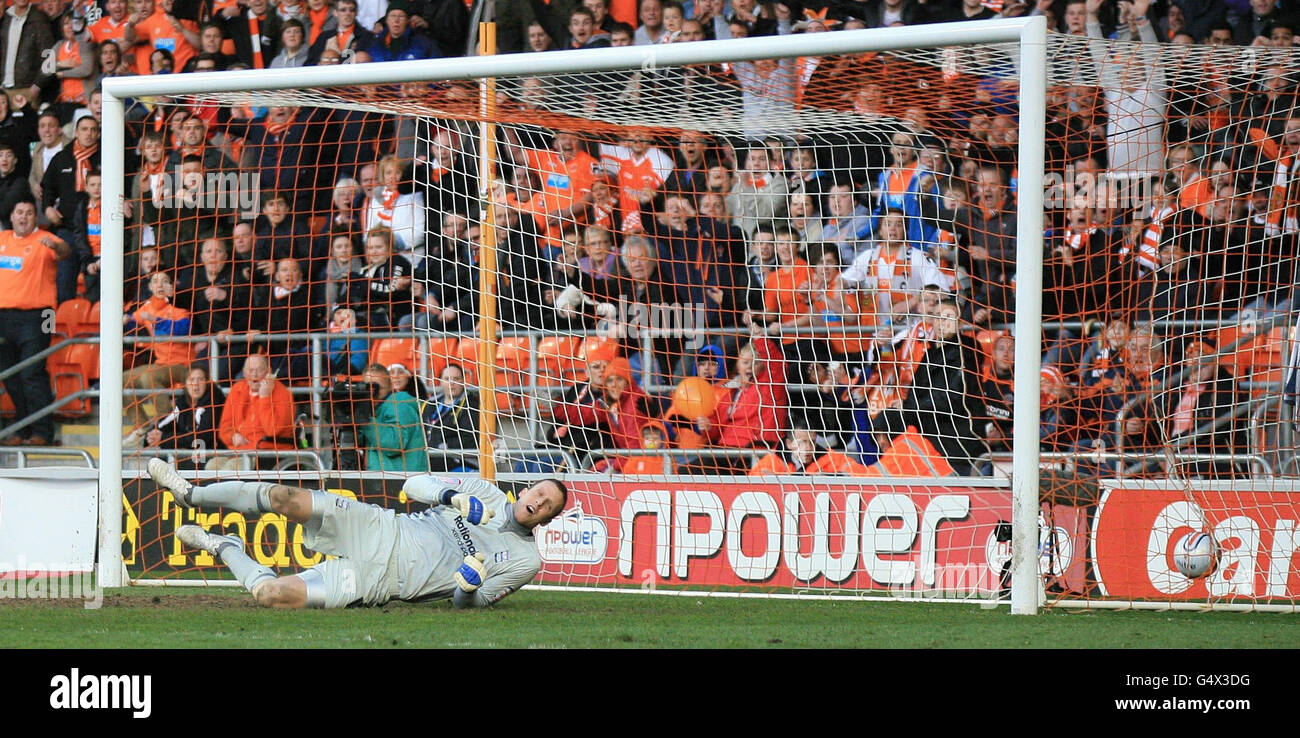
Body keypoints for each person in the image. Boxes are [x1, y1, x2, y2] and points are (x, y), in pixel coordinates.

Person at [149, 457, 567, 609]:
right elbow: (410, 486)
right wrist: (450, 494)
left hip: (379, 582)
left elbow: (468, 605)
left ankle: (225, 546)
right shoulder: (483, 491)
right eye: (540, 492)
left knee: (270, 596)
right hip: (379, 529)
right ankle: (191, 494)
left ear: (546, 520)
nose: (539, 502)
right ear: (527, 487)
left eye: (548, 505)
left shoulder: (526, 561)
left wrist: (466, 588)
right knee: (285, 497)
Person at [0, 198, 68, 446]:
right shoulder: (3, 239)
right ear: (12, 216)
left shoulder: (45, 239)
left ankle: (43, 431)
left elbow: (65, 252)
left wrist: (56, 247)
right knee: (10, 375)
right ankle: (22, 428)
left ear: (34, 217)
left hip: (41, 315)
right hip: (4, 316)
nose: (24, 217)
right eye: (19, 212)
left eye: (29, 213)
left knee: (33, 371)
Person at [143, 365, 224, 470]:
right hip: (192, 454)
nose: (196, 384)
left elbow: (200, 438)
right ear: (185, 383)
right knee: (158, 459)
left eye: (200, 379)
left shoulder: (215, 401)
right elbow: (165, 423)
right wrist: (151, 435)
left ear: (207, 383)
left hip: (212, 453)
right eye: (192, 379)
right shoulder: (183, 402)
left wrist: (163, 438)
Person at [359, 362, 429, 472]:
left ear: (390, 387)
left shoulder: (399, 405)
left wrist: (365, 422)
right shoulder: (375, 409)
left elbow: (394, 444)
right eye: (369, 387)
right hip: (386, 478)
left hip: (402, 480)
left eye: (377, 388)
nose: (372, 392)